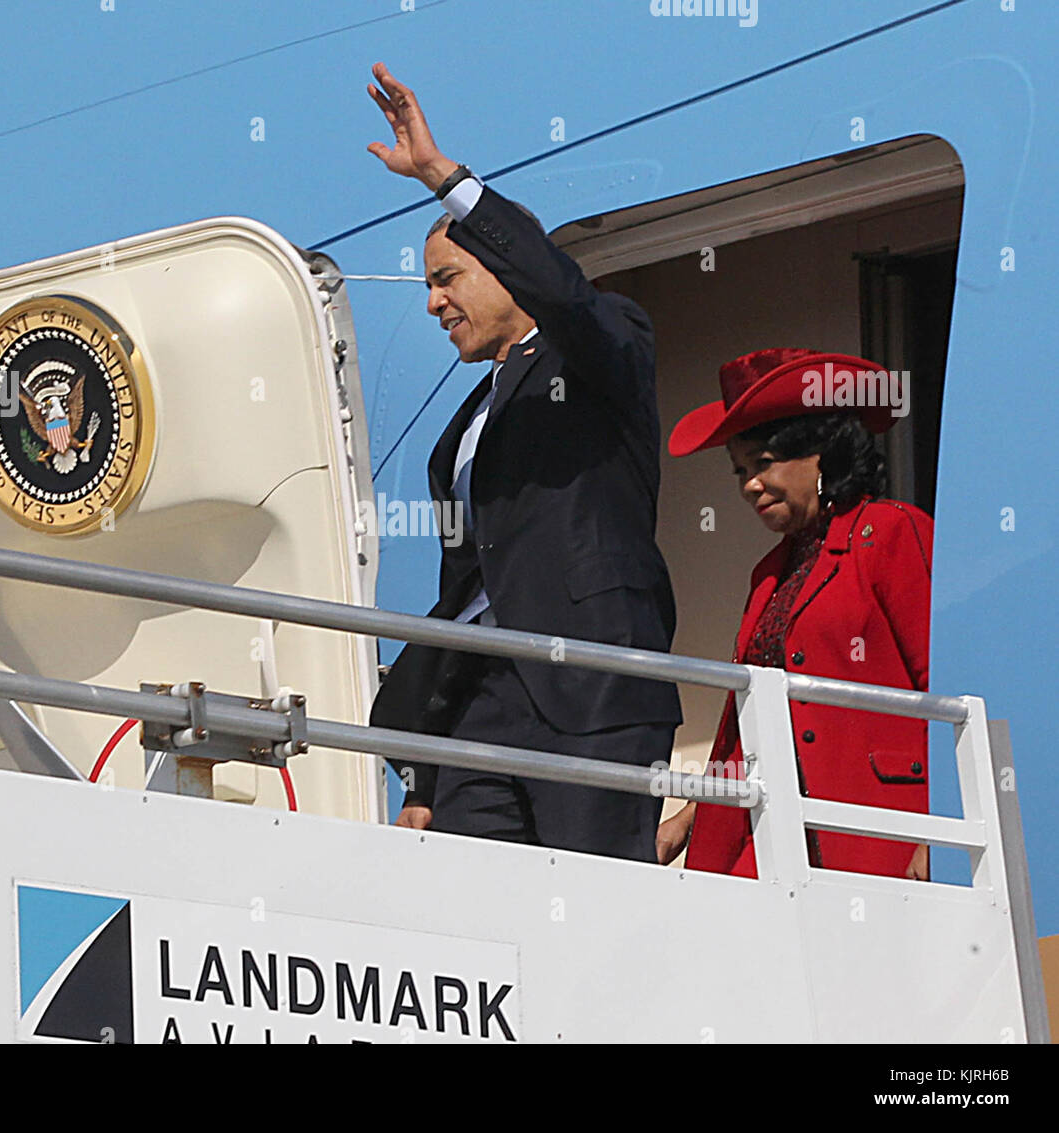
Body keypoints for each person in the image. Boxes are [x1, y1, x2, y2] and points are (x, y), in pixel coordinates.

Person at [364, 63, 681, 861]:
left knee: (596, 930)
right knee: (486, 936)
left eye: (446, 278)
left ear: (510, 268)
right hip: (481, 706)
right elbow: (466, 586)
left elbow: (567, 297)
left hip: (591, 691)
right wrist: (426, 775)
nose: (433, 302)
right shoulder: (466, 427)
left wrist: (444, 180)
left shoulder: (607, 341)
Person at [658, 348, 932, 879]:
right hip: (769, 834)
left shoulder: (889, 531)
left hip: (874, 829)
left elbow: (943, 685)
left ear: (823, 455)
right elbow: (750, 717)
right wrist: (694, 813)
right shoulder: (768, 573)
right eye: (740, 471)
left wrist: (938, 828)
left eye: (763, 464)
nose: (748, 486)